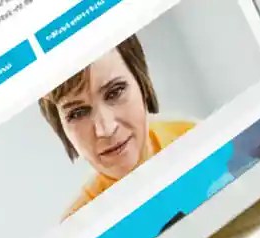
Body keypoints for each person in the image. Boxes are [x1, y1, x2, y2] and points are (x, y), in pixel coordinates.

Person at [38, 35, 195, 221]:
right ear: (62, 130)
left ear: (141, 83)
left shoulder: (201, 139)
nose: (106, 129)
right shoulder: (76, 229)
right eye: (78, 113)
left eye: (115, 92)